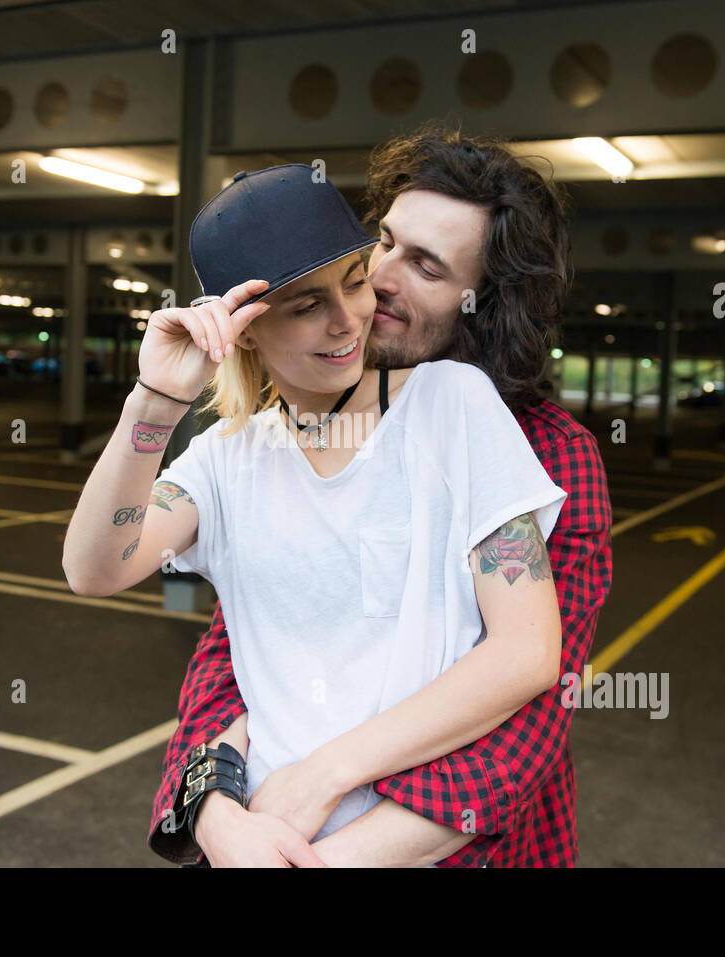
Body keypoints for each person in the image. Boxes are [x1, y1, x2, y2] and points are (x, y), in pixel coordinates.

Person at [63, 160, 568, 866]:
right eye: (306, 305)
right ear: (242, 329)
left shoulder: (451, 404)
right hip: (256, 841)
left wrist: (325, 783)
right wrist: (154, 403)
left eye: (354, 280)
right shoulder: (225, 458)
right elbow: (94, 568)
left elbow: (528, 651)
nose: (346, 320)